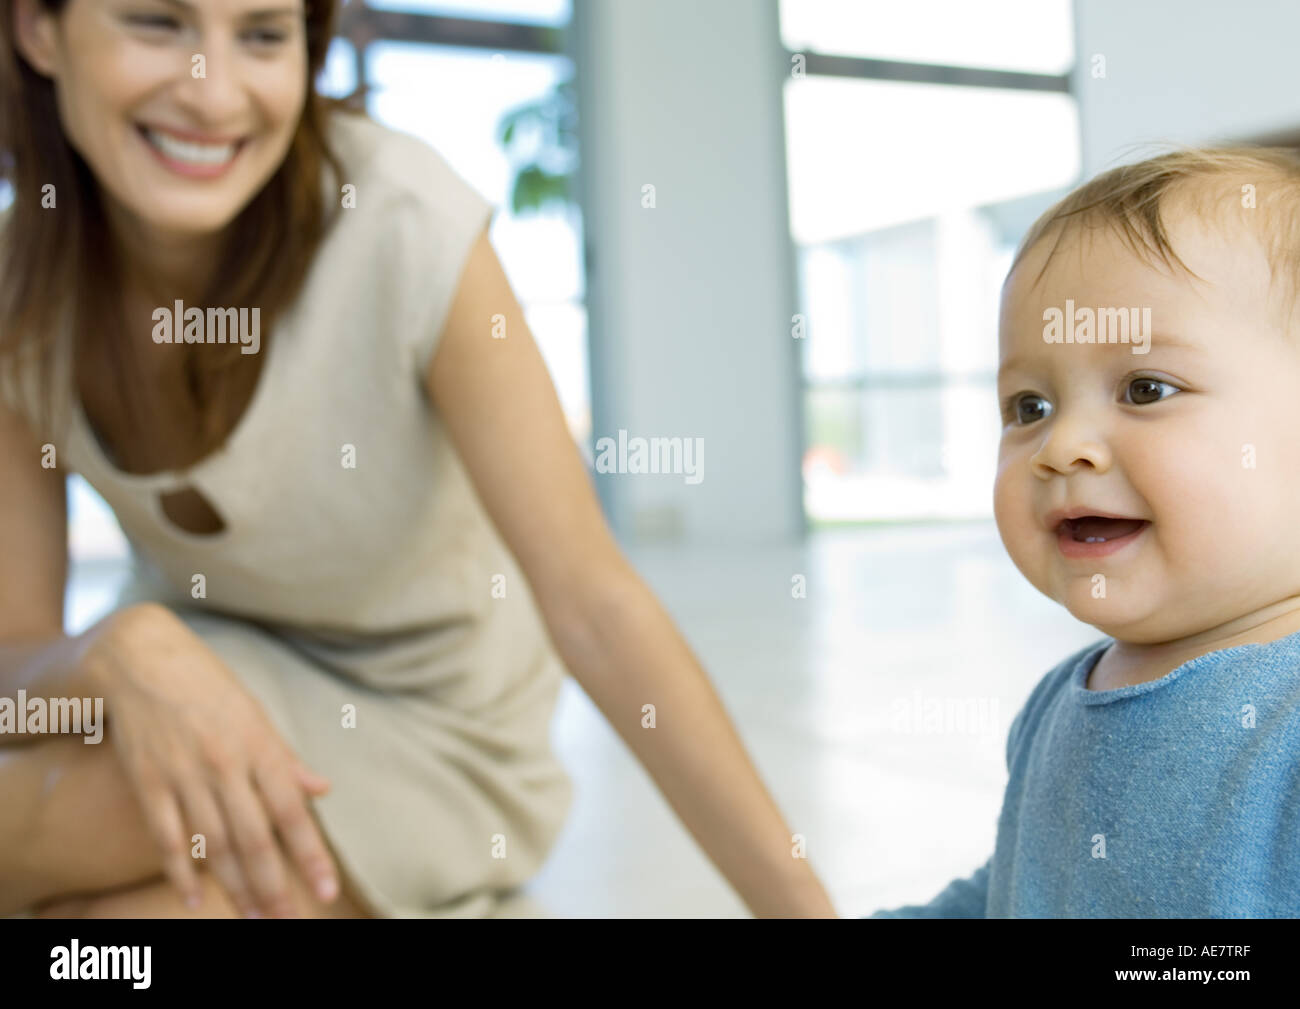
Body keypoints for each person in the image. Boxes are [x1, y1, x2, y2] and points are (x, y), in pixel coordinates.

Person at [0, 0, 837, 919]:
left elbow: (596, 606)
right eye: (157, 23)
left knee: (42, 825)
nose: (214, 93)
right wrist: (118, 652)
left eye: (264, 35)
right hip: (192, 684)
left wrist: (804, 913)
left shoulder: (402, 220)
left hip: (433, 730)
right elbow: (15, 667)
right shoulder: (22, 293)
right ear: (39, 29)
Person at [871, 147, 1300, 917]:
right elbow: (1022, 884)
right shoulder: (1059, 702)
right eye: (1029, 406)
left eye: (1145, 389)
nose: (1063, 444)